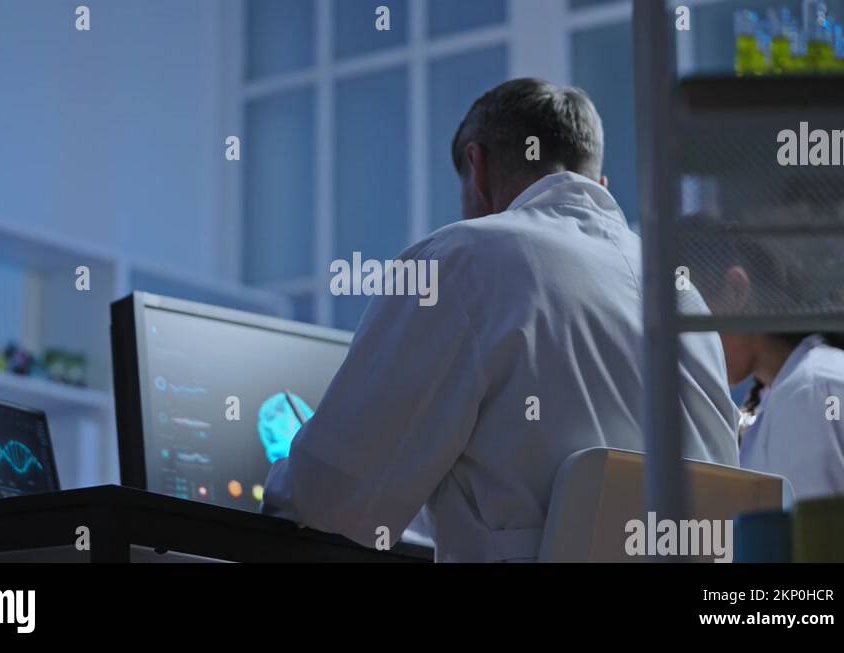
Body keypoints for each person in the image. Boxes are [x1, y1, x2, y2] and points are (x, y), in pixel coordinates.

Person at [261, 79, 739, 562]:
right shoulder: (683, 294)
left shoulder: (459, 261)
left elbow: (326, 504)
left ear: (478, 168)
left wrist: (285, 467)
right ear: (600, 186)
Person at [683, 218, 844, 501]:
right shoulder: (797, 390)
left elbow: (836, 539)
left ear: (736, 290)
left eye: (686, 314)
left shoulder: (816, 388)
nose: (684, 343)